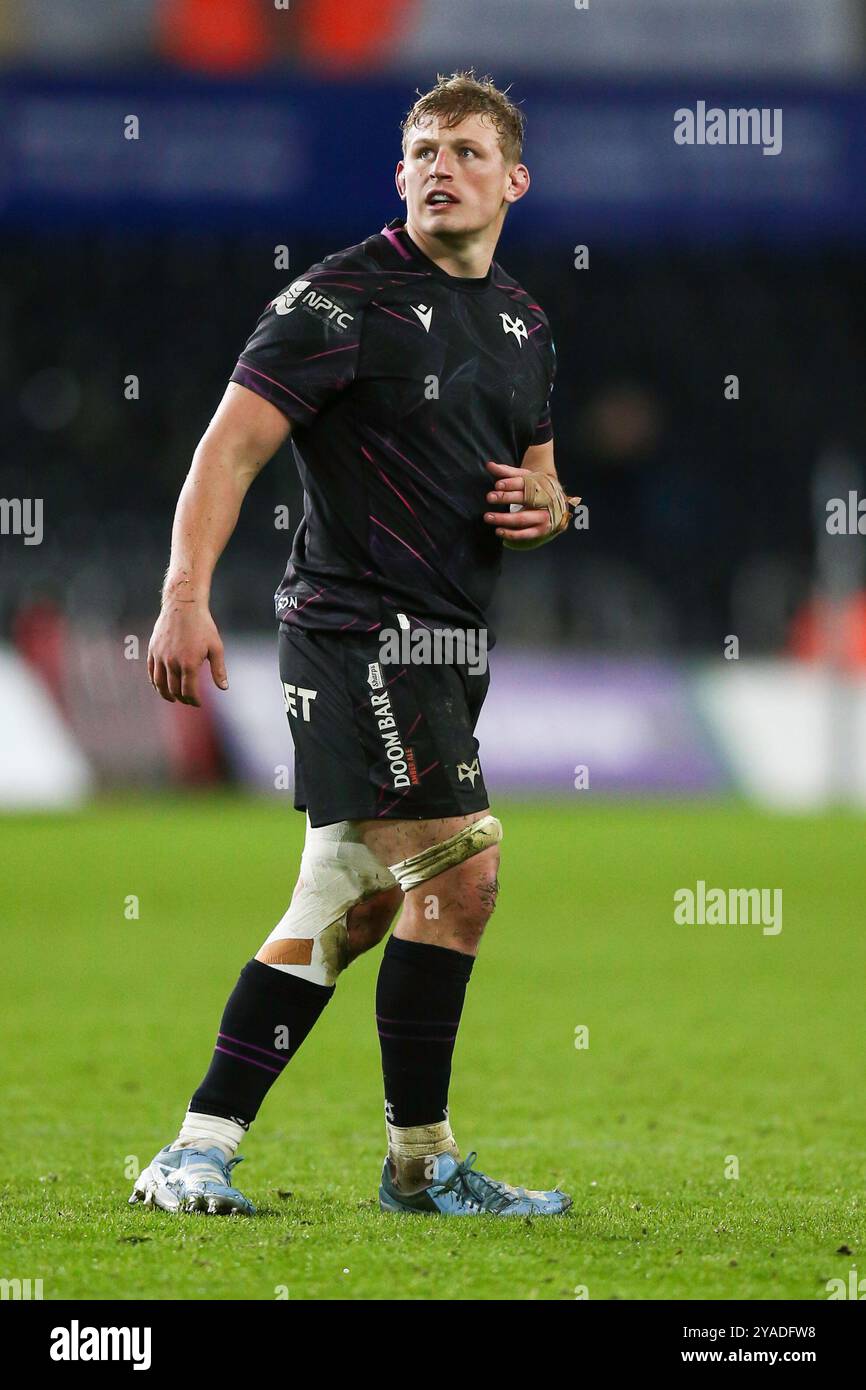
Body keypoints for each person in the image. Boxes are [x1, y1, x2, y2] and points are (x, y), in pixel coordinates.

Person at [132, 70, 579, 1218]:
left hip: (450, 646)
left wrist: (551, 509)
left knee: (349, 899)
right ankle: (421, 1162)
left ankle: (196, 1146)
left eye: (467, 151)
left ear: (512, 180)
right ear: (399, 174)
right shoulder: (337, 302)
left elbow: (539, 480)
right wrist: (184, 594)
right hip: (352, 632)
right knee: (461, 867)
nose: (441, 166)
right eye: (422, 148)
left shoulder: (525, 322)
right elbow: (226, 451)